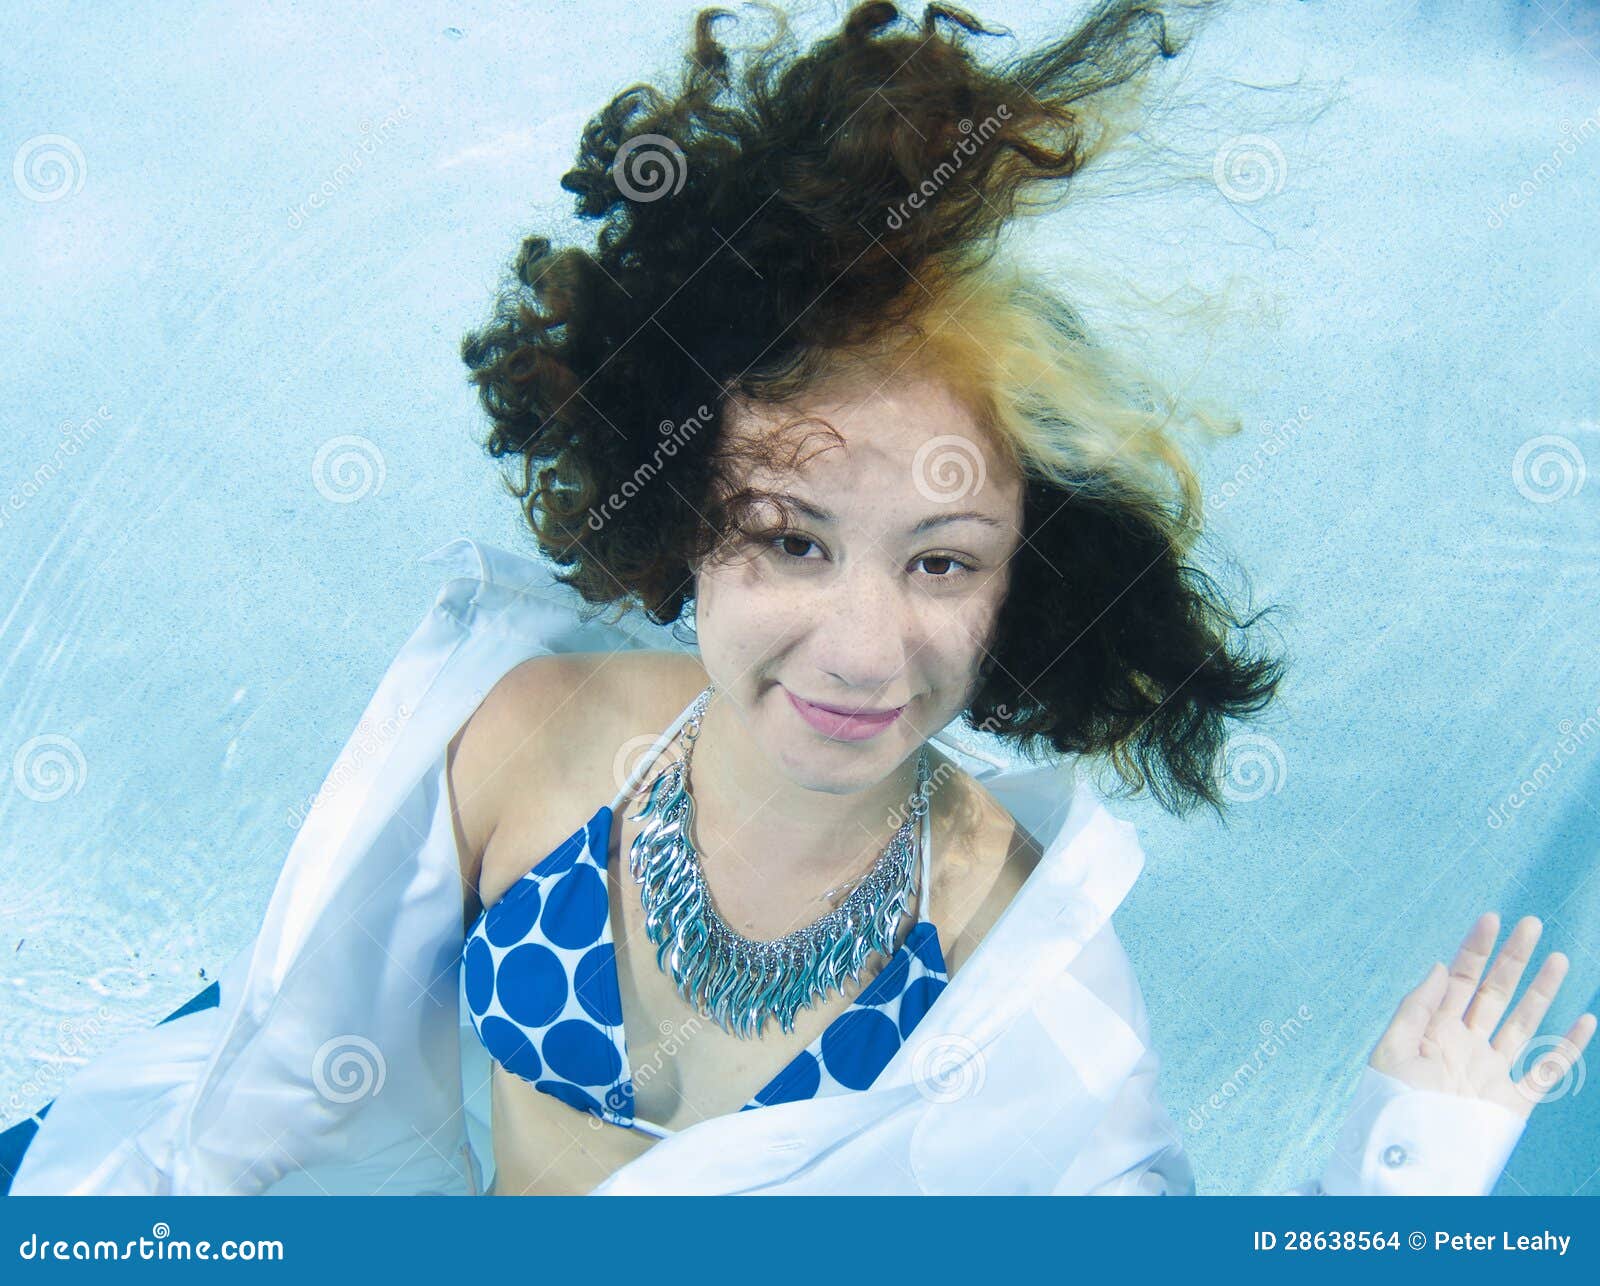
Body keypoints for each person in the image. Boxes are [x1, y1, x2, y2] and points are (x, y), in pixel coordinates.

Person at [11, 0, 1593, 1196]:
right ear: (684, 520)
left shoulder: (1010, 960)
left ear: (1016, 593)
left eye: (943, 562)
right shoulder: (527, 742)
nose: (861, 645)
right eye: (788, 538)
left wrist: (1407, 1151)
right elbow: (276, 1100)